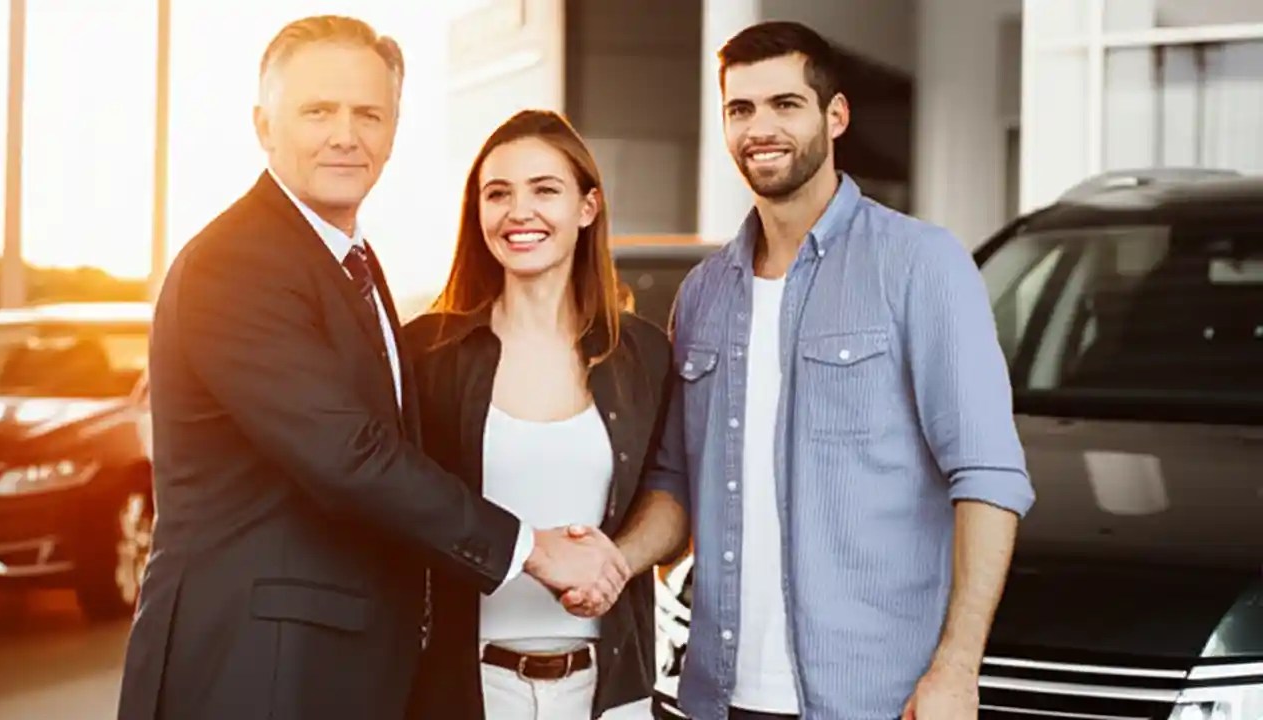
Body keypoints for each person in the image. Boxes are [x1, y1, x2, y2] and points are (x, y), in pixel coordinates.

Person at [117, 16, 626, 720]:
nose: (345, 135)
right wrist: (530, 548)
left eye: (368, 113)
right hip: (252, 668)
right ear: (264, 126)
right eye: (317, 111)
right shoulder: (237, 264)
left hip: (330, 667)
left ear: (392, 132)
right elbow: (349, 454)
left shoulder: (344, 256)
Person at [573, 20, 1037, 720]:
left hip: (873, 701)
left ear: (835, 114)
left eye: (785, 104)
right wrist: (611, 562)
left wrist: (957, 668)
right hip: (718, 697)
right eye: (741, 108)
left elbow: (989, 476)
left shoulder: (920, 264)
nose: (761, 127)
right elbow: (674, 483)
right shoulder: (703, 294)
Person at [402, 109, 670, 720]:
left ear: (587, 206)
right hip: (466, 689)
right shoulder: (428, 353)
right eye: (498, 194)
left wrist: (616, 563)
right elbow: (398, 502)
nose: (519, 211)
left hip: (608, 692)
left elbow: (671, 493)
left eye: (544, 190)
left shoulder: (643, 354)